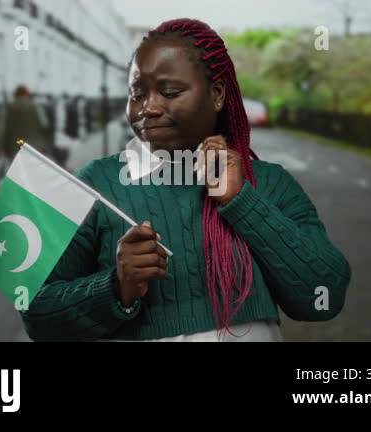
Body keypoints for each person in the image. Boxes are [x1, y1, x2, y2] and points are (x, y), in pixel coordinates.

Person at [21, 19, 351, 342]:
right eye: (137, 93)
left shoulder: (268, 183)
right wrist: (116, 287)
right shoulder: (94, 182)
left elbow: (323, 296)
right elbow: (36, 314)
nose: (148, 108)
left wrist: (242, 203)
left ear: (217, 94)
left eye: (170, 91)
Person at [0, 85, 51, 179]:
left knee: (19, 176)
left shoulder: (9, 107)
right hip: (36, 147)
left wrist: (2, 149)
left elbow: (3, 129)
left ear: (15, 95)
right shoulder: (35, 106)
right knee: (35, 175)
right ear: (26, 94)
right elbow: (45, 125)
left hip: (16, 146)